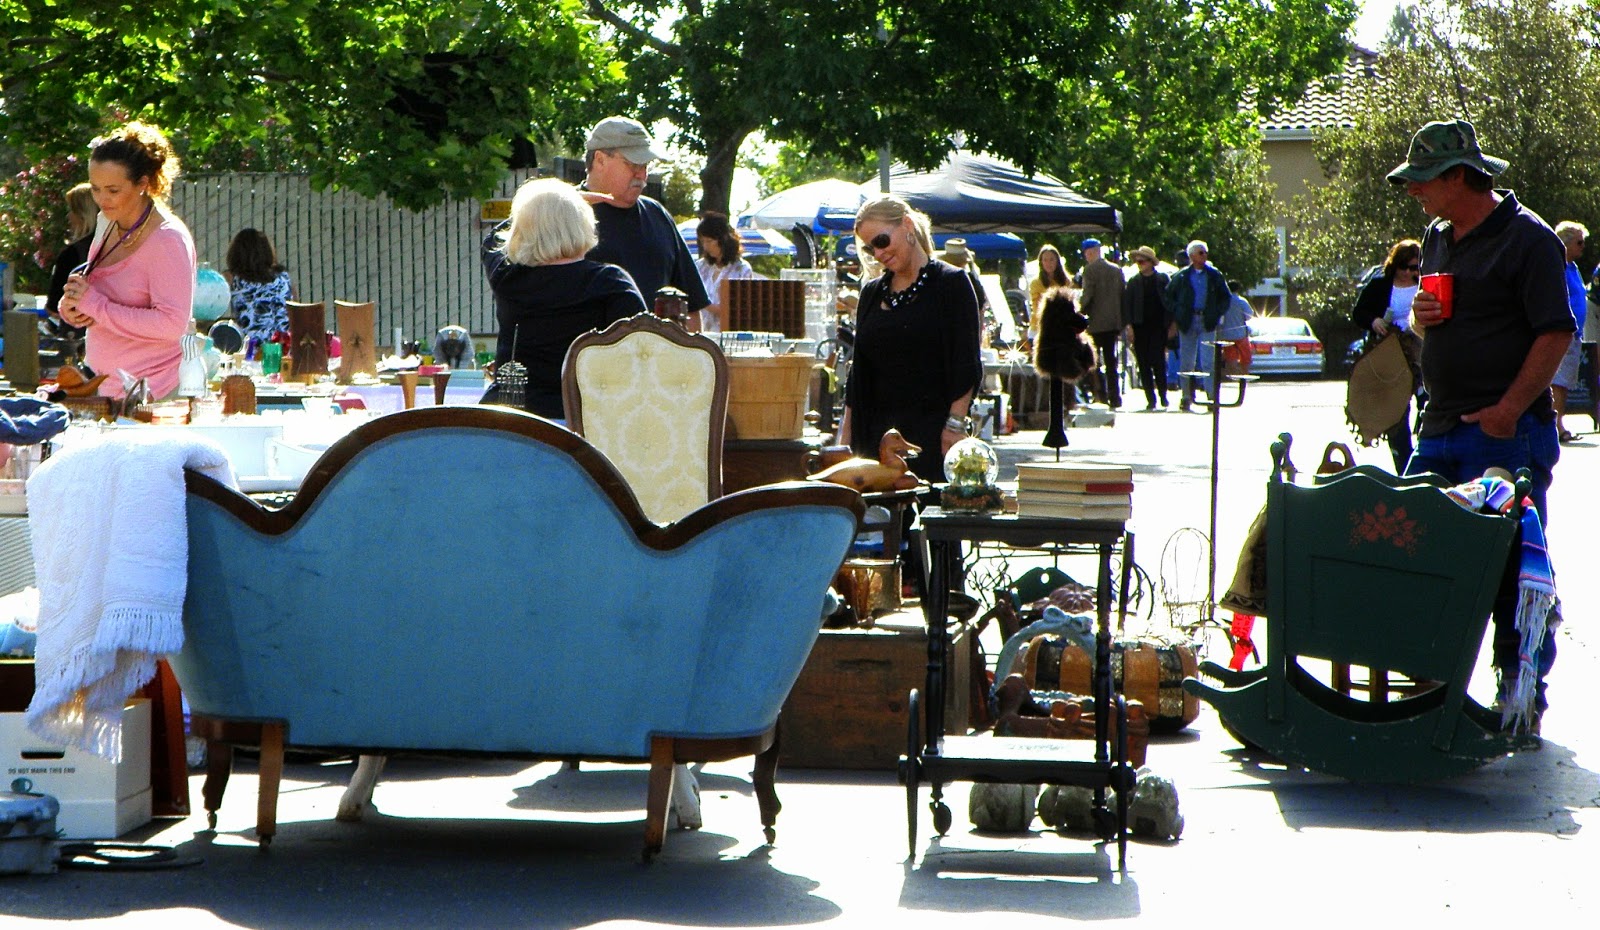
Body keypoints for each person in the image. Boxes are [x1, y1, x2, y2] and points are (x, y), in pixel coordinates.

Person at [1389, 118, 1573, 729]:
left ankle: (1520, 700)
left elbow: (1555, 333)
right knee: (1415, 548)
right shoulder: (1438, 236)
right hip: (1438, 427)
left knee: (1508, 571)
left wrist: (1507, 409)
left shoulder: (1529, 240)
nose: (1414, 191)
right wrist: (1421, 317)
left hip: (1504, 434)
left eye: (1422, 181)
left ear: (1458, 176)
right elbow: (1429, 325)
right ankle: (1431, 688)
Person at [841, 195, 982, 483]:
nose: (878, 253)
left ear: (906, 225)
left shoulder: (952, 283)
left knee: (925, 522)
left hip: (930, 436)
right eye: (870, 248)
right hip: (872, 442)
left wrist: (954, 426)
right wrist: (843, 439)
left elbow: (966, 361)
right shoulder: (871, 293)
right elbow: (858, 374)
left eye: (881, 241)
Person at [482, 177, 647, 420]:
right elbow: (644, 352)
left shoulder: (508, 278)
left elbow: (493, 240)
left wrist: (540, 209)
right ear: (583, 224)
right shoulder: (609, 283)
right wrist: (571, 204)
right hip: (581, 422)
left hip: (511, 419)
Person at [56, 122, 196, 400]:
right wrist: (71, 306)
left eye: (113, 190)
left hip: (155, 396)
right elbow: (97, 297)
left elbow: (172, 325)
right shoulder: (108, 220)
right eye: (95, 189)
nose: (102, 200)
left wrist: (94, 305)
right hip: (104, 389)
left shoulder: (168, 239)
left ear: (143, 184)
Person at [582, 116, 709, 313]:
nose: (641, 175)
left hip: (656, 343)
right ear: (600, 160)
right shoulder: (563, 213)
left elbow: (689, 307)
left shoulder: (657, 216)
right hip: (582, 343)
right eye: (633, 164)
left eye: (645, 166)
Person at [1350, 238, 1425, 471]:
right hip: (1391, 350)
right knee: (1395, 411)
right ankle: (1403, 464)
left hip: (1422, 349)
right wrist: (1375, 321)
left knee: (1427, 402)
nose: (1409, 272)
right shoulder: (1381, 284)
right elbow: (1359, 312)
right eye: (1405, 267)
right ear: (1395, 265)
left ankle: (1424, 458)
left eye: (1415, 267)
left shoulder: (1425, 283)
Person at [1165, 240, 1230, 411]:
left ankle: (1211, 397)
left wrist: (1216, 313)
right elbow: (1168, 296)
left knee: (1208, 361)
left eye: (1205, 252)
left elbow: (1226, 297)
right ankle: (1186, 396)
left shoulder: (1214, 275)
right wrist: (1178, 312)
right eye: (1201, 253)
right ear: (1192, 256)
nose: (1204, 255)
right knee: (1187, 361)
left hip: (1206, 320)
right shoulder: (1181, 276)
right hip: (1188, 320)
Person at [1550, 221, 1588, 442]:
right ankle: (1556, 427)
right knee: (1558, 381)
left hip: (1574, 334)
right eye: (1579, 242)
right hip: (1562, 333)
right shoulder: (1557, 265)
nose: (1583, 247)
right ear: (1565, 243)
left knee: (1564, 383)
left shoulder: (1572, 267)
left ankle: (1559, 423)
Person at [1121, 246, 1171, 410]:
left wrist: (1172, 324)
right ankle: (1151, 398)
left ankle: (1163, 394)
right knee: (1143, 364)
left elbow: (1170, 303)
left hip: (1158, 327)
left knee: (1159, 363)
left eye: (1142, 261)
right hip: (1140, 327)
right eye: (1138, 261)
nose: (1139, 264)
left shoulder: (1163, 279)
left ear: (1151, 262)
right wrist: (1129, 327)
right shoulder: (1134, 282)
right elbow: (1127, 306)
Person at [224, 228, 294, 344]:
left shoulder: (231, 278)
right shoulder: (284, 278)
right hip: (283, 346)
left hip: (249, 348)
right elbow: (294, 311)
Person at [1078, 238, 1126, 408]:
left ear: (1089, 252)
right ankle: (1116, 397)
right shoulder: (1116, 270)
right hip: (1113, 323)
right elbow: (1122, 295)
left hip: (1096, 323)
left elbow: (1087, 296)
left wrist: (1077, 310)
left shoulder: (1089, 270)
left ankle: (1101, 394)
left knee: (1095, 362)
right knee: (1112, 362)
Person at [43, 183, 97, 329]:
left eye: (72, 210)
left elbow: (53, 308)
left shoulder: (71, 255)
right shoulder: (119, 248)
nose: (69, 216)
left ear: (83, 215)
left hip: (77, 333)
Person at [693, 211, 755, 333]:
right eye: (702, 241)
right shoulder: (700, 266)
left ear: (723, 239)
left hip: (729, 338)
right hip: (701, 337)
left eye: (709, 241)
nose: (705, 247)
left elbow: (740, 310)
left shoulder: (742, 270)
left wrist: (704, 304)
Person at [1028, 244, 1070, 340]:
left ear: (1057, 261)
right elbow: (1037, 308)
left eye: (1052, 259)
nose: (1048, 263)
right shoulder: (1036, 283)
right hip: (1040, 327)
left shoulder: (1066, 281)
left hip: (1063, 327)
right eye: (1045, 260)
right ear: (1041, 262)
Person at [1219, 281, 1255, 377]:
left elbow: (1219, 319)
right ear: (1238, 289)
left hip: (1227, 334)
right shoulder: (1242, 301)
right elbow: (1249, 316)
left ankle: (1232, 375)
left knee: (1231, 357)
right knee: (1245, 357)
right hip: (1241, 334)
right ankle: (1244, 375)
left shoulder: (1223, 301)